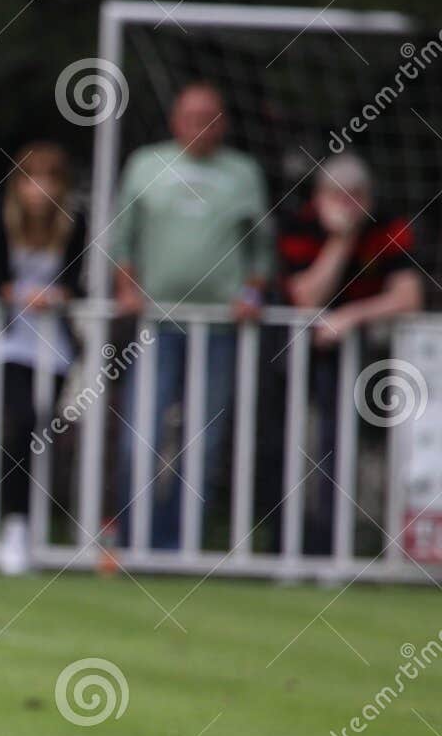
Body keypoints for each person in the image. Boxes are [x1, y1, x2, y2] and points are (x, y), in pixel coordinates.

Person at [110, 82, 271, 551]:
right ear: (174, 120)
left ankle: (182, 545)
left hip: (220, 328)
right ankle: (132, 539)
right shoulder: (144, 165)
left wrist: (251, 293)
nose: (201, 126)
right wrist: (127, 287)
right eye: (191, 116)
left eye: (210, 117)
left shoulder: (244, 173)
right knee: (140, 435)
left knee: (206, 438)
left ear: (223, 123)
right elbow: (122, 239)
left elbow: (260, 251)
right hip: (154, 325)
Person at [275, 152, 422, 555]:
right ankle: (293, 548)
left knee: (353, 452)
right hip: (297, 360)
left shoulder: (389, 225)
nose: (349, 205)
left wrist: (352, 316)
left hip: (371, 359)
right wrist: (341, 240)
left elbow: (408, 298)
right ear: (320, 197)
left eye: (356, 196)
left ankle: (350, 549)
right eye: (338, 196)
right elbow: (306, 297)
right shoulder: (299, 223)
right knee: (294, 447)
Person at [0, 142, 87, 575]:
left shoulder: (74, 224)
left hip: (55, 346)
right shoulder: (0, 220)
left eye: (49, 178)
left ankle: (49, 524)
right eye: (32, 178)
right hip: (10, 341)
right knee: (20, 422)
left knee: (50, 427)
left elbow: (78, 284)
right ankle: (16, 526)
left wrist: (58, 296)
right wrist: (15, 293)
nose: (39, 189)